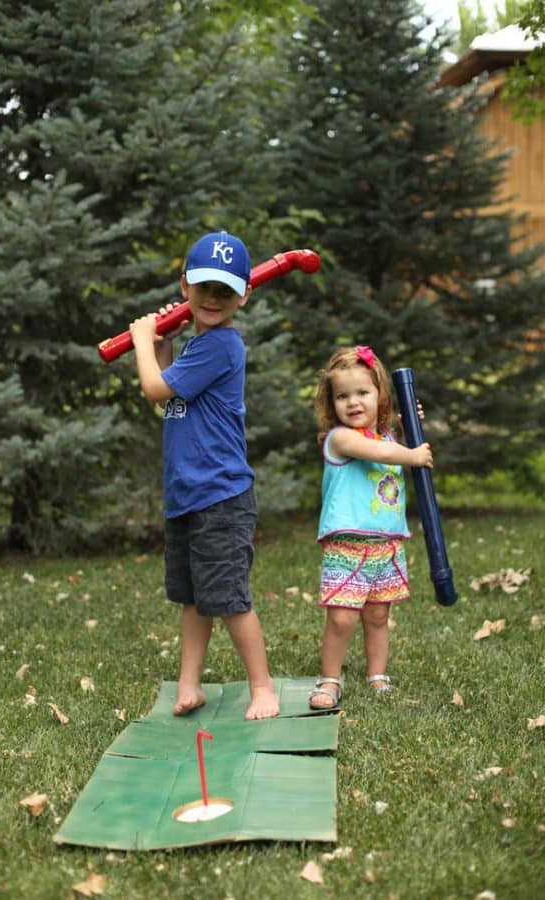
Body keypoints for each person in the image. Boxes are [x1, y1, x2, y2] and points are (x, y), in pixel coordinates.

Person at [129, 231, 279, 721]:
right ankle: (189, 685)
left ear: (244, 294)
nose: (213, 299)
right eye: (204, 288)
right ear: (185, 285)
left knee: (230, 599)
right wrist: (167, 344)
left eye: (225, 291)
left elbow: (153, 388)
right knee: (192, 599)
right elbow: (173, 396)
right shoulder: (198, 344)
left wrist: (141, 343)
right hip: (189, 495)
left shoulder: (220, 346)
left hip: (220, 495)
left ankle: (263, 689)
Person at [309, 345, 433, 710]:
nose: (352, 402)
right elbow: (381, 455)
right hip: (348, 545)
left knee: (379, 615)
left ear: (380, 394)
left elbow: (388, 447)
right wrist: (412, 454)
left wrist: (410, 423)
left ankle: (377, 676)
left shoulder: (388, 439)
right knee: (342, 618)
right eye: (342, 396)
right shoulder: (341, 438)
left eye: (362, 392)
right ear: (331, 404)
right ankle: (330, 679)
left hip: (387, 546)